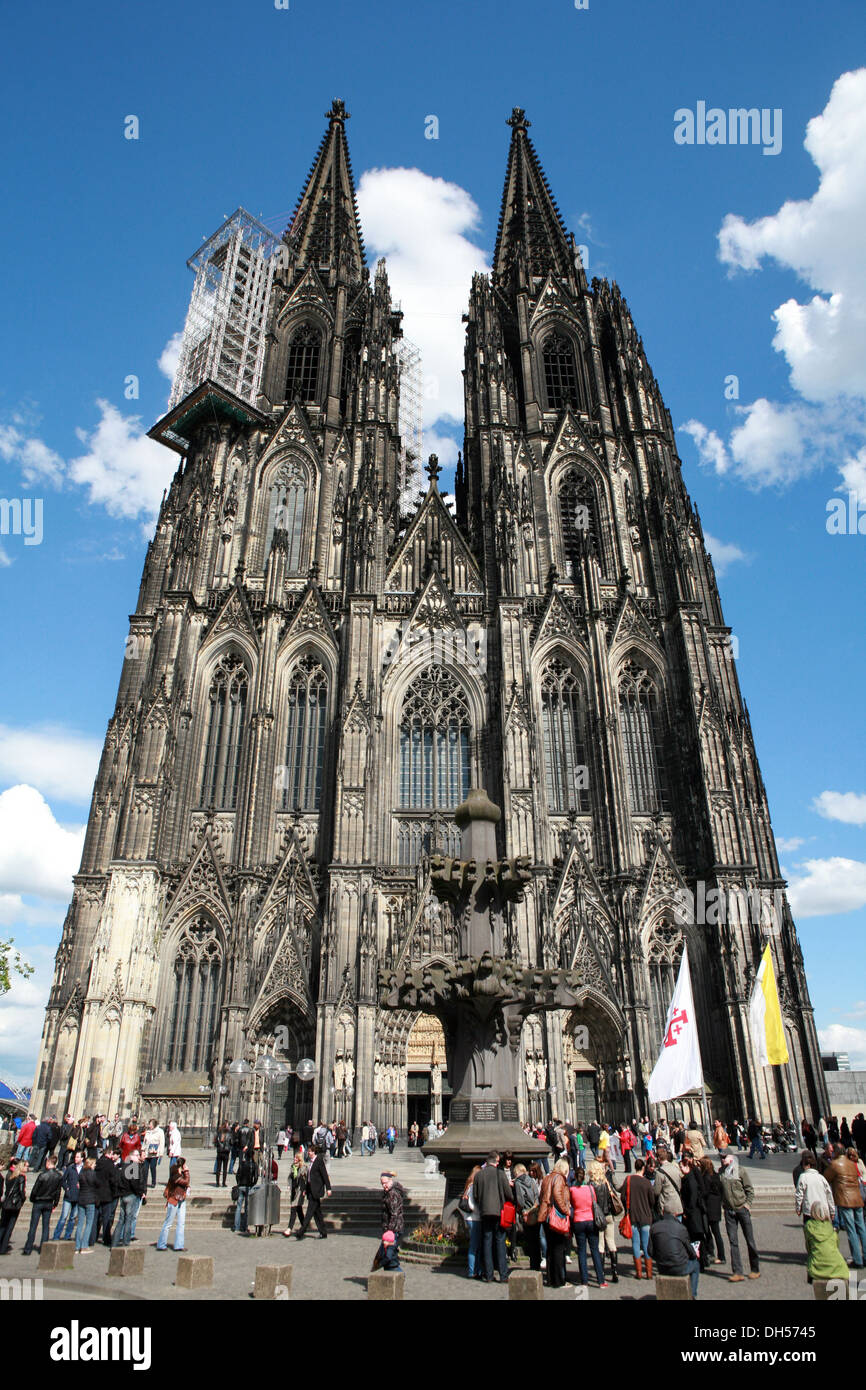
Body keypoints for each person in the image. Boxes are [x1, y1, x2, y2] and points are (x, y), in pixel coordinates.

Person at [719, 1150, 760, 1281]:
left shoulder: (740, 1171)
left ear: (731, 1158)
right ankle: (737, 1271)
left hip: (741, 1209)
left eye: (724, 1157)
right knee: (733, 1241)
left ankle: (755, 1269)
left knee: (750, 1240)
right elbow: (720, 1190)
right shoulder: (721, 1172)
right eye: (721, 1157)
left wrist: (747, 1205)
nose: (722, 1159)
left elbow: (749, 1189)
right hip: (729, 1210)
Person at [472, 1151, 511, 1284]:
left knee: (487, 1242)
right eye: (499, 1161)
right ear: (495, 1161)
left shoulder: (479, 1175)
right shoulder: (500, 1174)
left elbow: (476, 1195)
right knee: (500, 1242)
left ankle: (488, 1275)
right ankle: (503, 1274)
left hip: (484, 1212)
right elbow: (508, 1193)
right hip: (499, 1212)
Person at [826, 1144, 865, 1267]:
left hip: (845, 1199)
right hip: (857, 1198)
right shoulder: (851, 1163)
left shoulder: (835, 1164)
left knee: (851, 1229)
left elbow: (826, 1177)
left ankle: (857, 1259)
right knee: (862, 1228)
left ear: (836, 1153)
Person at [648, 1209, 701, 1299]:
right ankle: (693, 1294)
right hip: (679, 1267)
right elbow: (690, 1251)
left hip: (662, 1267)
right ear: (675, 1214)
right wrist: (694, 1254)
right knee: (696, 1265)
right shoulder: (681, 1228)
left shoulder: (654, 1227)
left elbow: (650, 1251)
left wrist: (660, 1258)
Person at [569, 1165, 607, 1288]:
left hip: (578, 1221)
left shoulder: (572, 1190)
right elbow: (594, 1203)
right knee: (595, 1250)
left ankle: (584, 1281)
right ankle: (601, 1280)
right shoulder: (590, 1189)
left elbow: (572, 1205)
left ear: (575, 1177)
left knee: (581, 1251)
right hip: (591, 1220)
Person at [539, 1157, 572, 1289]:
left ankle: (551, 1278)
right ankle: (559, 1280)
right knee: (558, 1249)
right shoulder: (559, 1178)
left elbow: (542, 1195)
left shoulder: (547, 1178)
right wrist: (566, 1210)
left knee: (550, 1249)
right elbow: (557, 1195)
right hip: (555, 1216)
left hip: (546, 1215)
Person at [804, 1200, 850, 1292]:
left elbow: (808, 1247)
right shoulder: (831, 1228)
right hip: (837, 1266)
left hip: (816, 1267)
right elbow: (836, 1245)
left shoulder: (809, 1227)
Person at [22, 1154, 63, 1254]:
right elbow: (58, 1191)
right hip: (49, 1202)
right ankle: (44, 1249)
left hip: (39, 1201)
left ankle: (28, 1248)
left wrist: (32, 1199)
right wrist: (55, 1203)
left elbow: (35, 1190)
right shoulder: (58, 1176)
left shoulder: (43, 1175)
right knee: (46, 1226)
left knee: (33, 1226)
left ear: (48, 1163)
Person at [588, 1159, 619, 1282]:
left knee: (600, 1244)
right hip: (609, 1214)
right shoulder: (606, 1182)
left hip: (598, 1216)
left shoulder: (591, 1184)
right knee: (611, 1242)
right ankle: (614, 1271)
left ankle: (601, 1272)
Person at [624, 1158, 655, 1278]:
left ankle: (639, 1272)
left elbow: (622, 1196)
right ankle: (649, 1272)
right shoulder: (647, 1182)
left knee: (636, 1243)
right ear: (643, 1168)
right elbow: (652, 1200)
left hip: (633, 1215)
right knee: (647, 1244)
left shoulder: (628, 1180)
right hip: (645, 1216)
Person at [679, 1154, 709, 1270]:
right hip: (694, 1211)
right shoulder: (689, 1177)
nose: (680, 1169)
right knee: (698, 1237)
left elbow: (692, 1196)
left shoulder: (690, 1180)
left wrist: (688, 1211)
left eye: (682, 1166)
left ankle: (700, 1261)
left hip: (693, 1213)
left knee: (697, 1237)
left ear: (687, 1166)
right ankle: (701, 1260)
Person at [295, 1145, 330, 1239]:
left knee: (309, 1212)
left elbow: (324, 1175)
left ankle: (301, 1231)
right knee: (317, 1213)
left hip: (316, 1190)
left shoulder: (319, 1161)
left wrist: (328, 1188)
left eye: (310, 1151)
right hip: (310, 1189)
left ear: (314, 1152)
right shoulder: (310, 1162)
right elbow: (309, 1178)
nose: (308, 1153)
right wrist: (306, 1190)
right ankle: (323, 1232)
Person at [113, 1149, 147, 1246]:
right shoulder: (134, 1167)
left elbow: (119, 1180)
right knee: (128, 1220)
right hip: (131, 1195)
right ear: (131, 1156)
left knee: (121, 1220)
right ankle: (126, 1242)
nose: (138, 1157)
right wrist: (140, 1193)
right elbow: (134, 1183)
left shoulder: (124, 1166)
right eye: (136, 1155)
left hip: (123, 1195)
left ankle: (114, 1242)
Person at [512, 1162, 541, 1272]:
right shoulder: (531, 1180)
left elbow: (520, 1200)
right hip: (535, 1211)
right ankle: (537, 1264)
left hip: (526, 1213)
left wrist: (522, 1210)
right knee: (536, 1239)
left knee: (530, 1239)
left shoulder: (518, 1183)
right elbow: (537, 1195)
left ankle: (533, 1264)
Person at [156, 1156, 190, 1251]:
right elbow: (186, 1182)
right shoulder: (174, 1172)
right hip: (173, 1198)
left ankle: (179, 1245)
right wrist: (187, 1172)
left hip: (181, 1198)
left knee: (181, 1223)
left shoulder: (179, 1172)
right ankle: (161, 1244)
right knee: (168, 1223)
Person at [698, 1156, 725, 1264]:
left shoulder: (705, 1177)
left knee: (710, 1232)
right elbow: (721, 1190)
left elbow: (704, 1192)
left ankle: (716, 1254)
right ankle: (718, 1254)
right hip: (716, 1206)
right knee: (715, 1232)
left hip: (709, 1207)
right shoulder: (716, 1175)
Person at [795, 1151, 835, 1223]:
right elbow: (829, 1194)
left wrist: (798, 1208)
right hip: (823, 1209)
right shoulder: (821, 1178)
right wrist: (832, 1210)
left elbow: (799, 1194)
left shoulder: (803, 1177)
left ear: (807, 1165)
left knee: (810, 1230)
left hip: (809, 1210)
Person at [376, 1172, 405, 1272]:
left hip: (393, 1230)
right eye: (382, 1184)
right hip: (393, 1229)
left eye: (386, 1183)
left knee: (389, 1257)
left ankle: (399, 1276)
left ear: (391, 1181)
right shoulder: (389, 1192)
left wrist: (390, 1231)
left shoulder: (392, 1194)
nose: (384, 1186)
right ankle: (391, 1280)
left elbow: (394, 1214)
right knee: (390, 1255)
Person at [53, 1150, 83, 1240]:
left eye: (78, 1157)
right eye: (75, 1157)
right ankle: (56, 1235)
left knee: (73, 1218)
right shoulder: (70, 1168)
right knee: (64, 1216)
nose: (76, 1158)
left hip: (78, 1196)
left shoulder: (84, 1169)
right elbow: (63, 1180)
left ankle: (67, 1235)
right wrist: (66, 1188)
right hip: (69, 1196)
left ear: (82, 1158)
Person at [0, 1159, 28, 1254]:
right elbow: (21, 1192)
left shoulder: (9, 1176)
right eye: (25, 1166)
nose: (27, 1168)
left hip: (6, 1203)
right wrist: (23, 1199)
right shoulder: (21, 1177)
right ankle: (3, 1248)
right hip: (14, 1204)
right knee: (9, 1227)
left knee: (3, 1225)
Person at [74, 1158, 100, 1253]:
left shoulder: (81, 1173)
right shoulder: (92, 1174)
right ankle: (84, 1245)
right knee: (89, 1223)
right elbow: (98, 1184)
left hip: (81, 1199)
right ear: (91, 1164)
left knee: (80, 1223)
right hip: (90, 1200)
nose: (95, 1165)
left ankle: (77, 1246)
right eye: (94, 1164)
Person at [282, 1150, 307, 1236]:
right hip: (294, 1191)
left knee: (294, 1209)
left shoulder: (304, 1167)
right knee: (299, 1210)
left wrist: (305, 1190)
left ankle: (289, 1228)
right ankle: (304, 1226)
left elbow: (306, 1180)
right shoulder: (293, 1167)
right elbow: (290, 1178)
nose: (294, 1159)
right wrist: (289, 1185)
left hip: (300, 1191)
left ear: (300, 1159)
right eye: (294, 1157)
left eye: (296, 1158)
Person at [653, 1147, 683, 1217]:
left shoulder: (660, 1172)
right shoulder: (676, 1168)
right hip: (678, 1203)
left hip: (667, 1205)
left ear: (658, 1159)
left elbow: (656, 1191)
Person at [234, 1149, 258, 1234]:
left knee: (238, 1207)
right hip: (248, 1187)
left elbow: (237, 1175)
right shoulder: (254, 1165)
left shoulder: (242, 1164)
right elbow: (256, 1177)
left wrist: (239, 1183)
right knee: (247, 1208)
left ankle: (236, 1226)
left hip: (241, 1186)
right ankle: (245, 1227)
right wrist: (253, 1184)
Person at [143, 1119, 165, 1189]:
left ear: (154, 1125)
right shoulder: (148, 1132)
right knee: (145, 1168)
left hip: (154, 1153)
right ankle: (144, 1182)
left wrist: (161, 1153)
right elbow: (145, 1141)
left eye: (150, 1124)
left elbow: (162, 1143)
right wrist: (142, 1150)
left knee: (152, 1167)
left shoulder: (160, 1132)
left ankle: (153, 1182)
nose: (149, 1125)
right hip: (147, 1153)